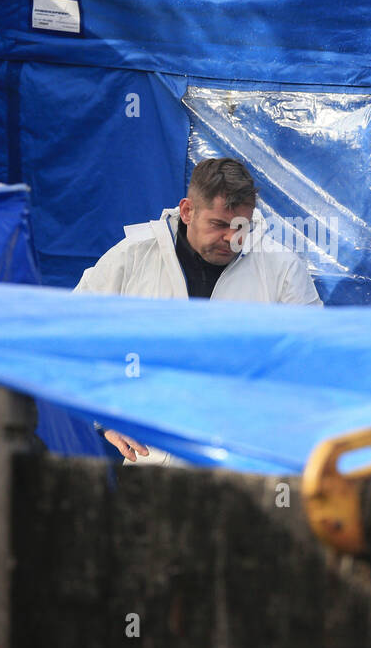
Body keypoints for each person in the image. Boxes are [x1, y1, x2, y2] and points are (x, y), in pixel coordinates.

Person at [75, 157, 322, 462]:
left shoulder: (281, 267)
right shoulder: (132, 256)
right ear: (188, 211)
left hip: (249, 460)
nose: (232, 238)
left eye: (240, 226)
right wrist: (103, 414)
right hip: (154, 456)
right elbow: (74, 333)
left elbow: (315, 358)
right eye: (219, 225)